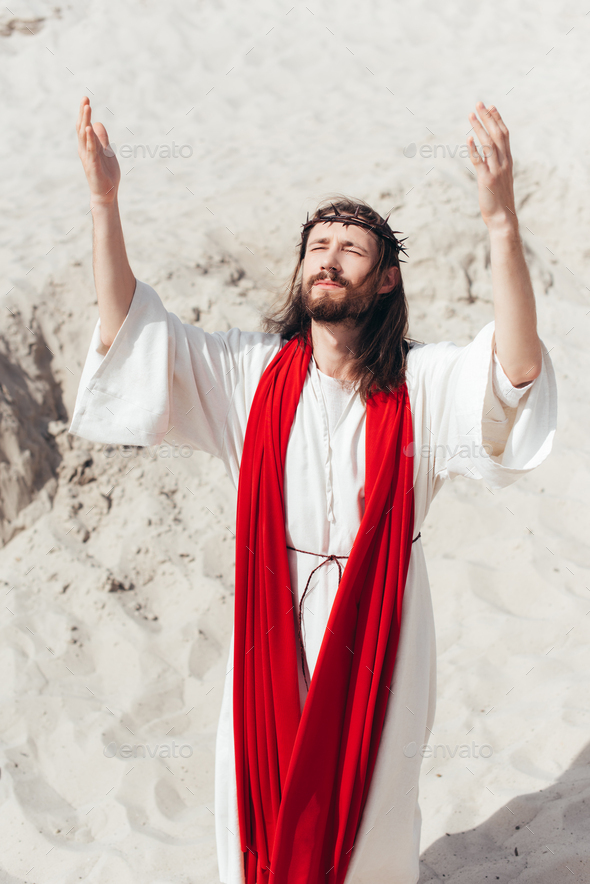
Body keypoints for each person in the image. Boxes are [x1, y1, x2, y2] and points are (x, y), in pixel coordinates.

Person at [70, 96, 557, 883]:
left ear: (386, 278)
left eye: (351, 248)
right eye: (317, 246)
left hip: (384, 620)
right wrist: (104, 202)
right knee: (259, 808)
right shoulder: (249, 373)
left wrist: (500, 222)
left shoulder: (424, 385)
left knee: (373, 821)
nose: (328, 258)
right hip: (275, 608)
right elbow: (133, 334)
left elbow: (516, 371)